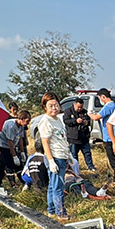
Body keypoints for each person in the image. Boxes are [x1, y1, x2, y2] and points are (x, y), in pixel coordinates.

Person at [38, 92, 73, 221]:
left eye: (56, 105)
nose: (54, 108)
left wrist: (69, 156)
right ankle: (61, 213)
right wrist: (51, 161)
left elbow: (62, 139)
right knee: (58, 186)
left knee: (53, 185)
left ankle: (52, 211)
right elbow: (45, 142)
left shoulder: (58, 120)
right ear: (45, 107)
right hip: (55, 157)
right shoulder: (45, 121)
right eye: (50, 105)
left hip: (62, 155)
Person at [88, 88, 115, 187]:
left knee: (114, 160)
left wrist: (90, 114)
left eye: (99, 98)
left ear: (103, 97)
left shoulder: (109, 106)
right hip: (114, 136)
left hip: (109, 137)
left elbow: (96, 117)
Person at [0, 110, 31, 187]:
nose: (28, 123)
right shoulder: (11, 126)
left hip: (13, 144)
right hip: (3, 145)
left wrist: (22, 152)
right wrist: (14, 156)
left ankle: (23, 180)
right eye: (27, 121)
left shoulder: (21, 126)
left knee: (18, 165)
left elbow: (20, 139)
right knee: (9, 164)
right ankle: (12, 183)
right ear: (22, 119)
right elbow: (10, 142)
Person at [63, 98, 95, 172]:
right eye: (78, 107)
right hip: (73, 138)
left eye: (81, 107)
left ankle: (91, 167)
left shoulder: (84, 112)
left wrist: (86, 122)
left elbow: (89, 121)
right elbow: (66, 121)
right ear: (74, 104)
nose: (80, 109)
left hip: (84, 137)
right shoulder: (68, 111)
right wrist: (75, 121)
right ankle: (75, 169)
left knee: (87, 154)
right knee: (74, 155)